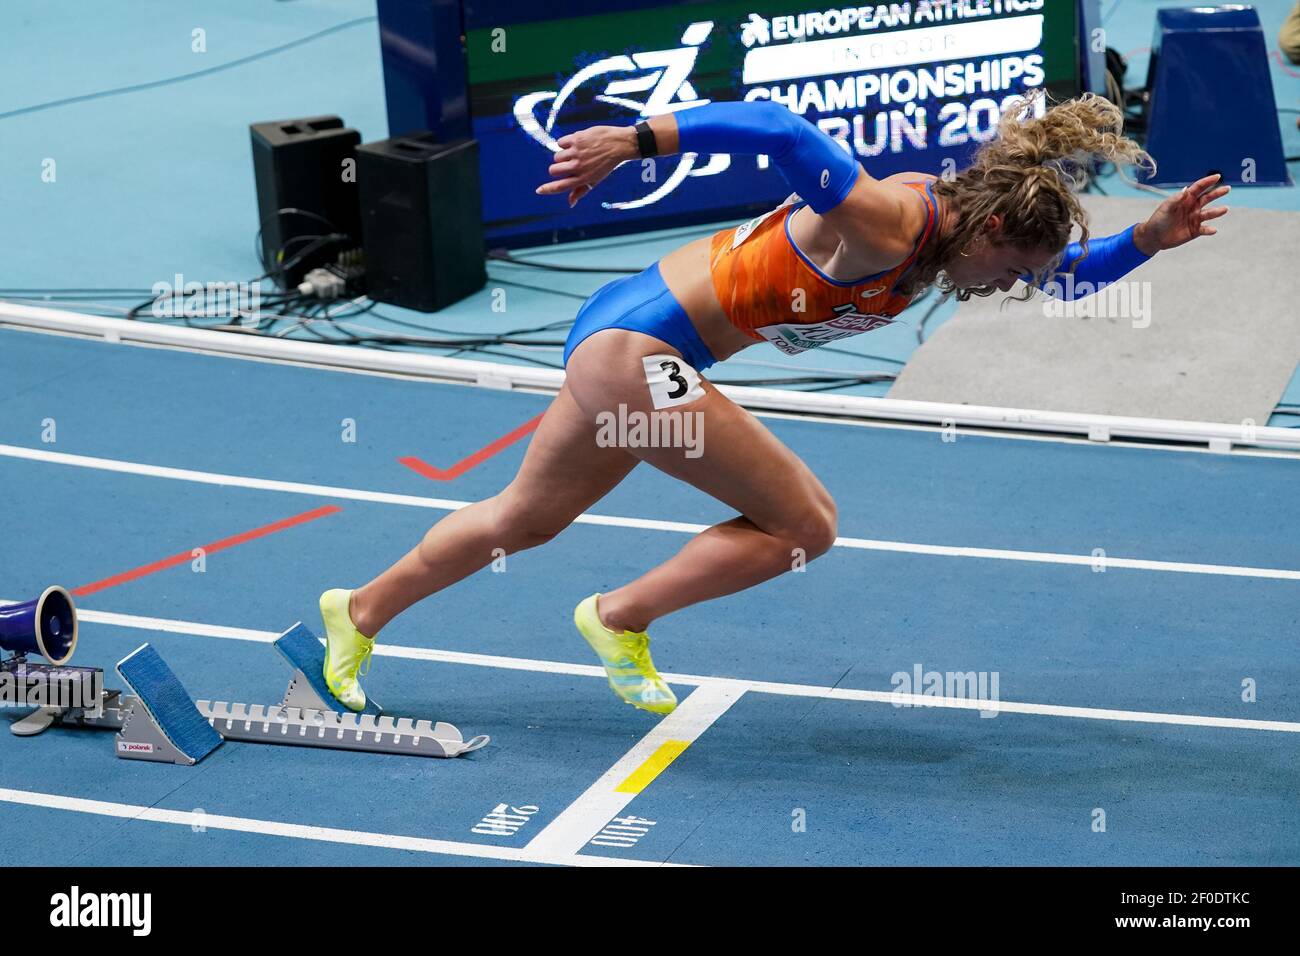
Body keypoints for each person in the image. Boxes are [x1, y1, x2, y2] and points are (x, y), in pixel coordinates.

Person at [318, 92, 1229, 716]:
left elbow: (1070, 280)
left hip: (623, 346)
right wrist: (632, 143)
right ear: (992, 229)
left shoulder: (966, 232)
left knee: (523, 519)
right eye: (1013, 272)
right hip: (643, 353)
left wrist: (1148, 238)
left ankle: (354, 615)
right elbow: (779, 128)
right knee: (805, 523)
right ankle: (618, 617)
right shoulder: (887, 220)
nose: (1010, 289)